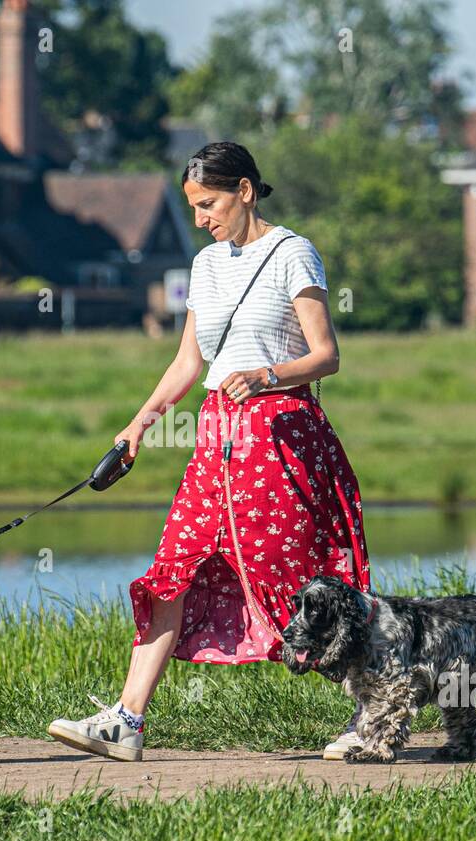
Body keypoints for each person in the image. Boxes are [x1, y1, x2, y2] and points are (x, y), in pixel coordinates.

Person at [47, 142, 371, 761]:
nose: (201, 217)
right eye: (193, 206)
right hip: (218, 438)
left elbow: (327, 355)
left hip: (281, 434)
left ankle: (371, 712)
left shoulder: (293, 254)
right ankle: (126, 722)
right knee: (176, 564)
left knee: (298, 579)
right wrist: (139, 424)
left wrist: (267, 375)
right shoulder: (205, 266)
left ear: (245, 190)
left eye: (210, 203)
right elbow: (190, 362)